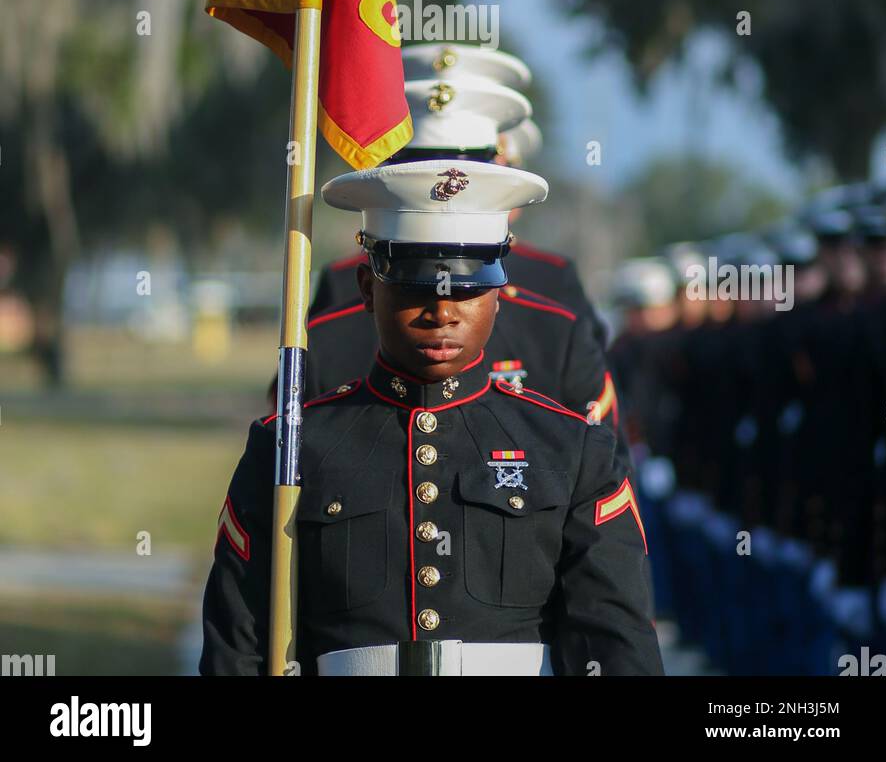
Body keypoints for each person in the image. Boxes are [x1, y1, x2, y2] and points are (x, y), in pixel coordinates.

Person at [201, 159, 663, 677]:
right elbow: (236, 651)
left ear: (498, 291)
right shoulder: (289, 448)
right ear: (367, 288)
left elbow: (617, 645)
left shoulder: (571, 450)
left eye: (466, 288)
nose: (441, 312)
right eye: (415, 287)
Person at [289, 44, 622, 435]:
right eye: (418, 167)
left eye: (464, 173)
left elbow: (595, 458)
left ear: (500, 169)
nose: (442, 183)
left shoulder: (556, 327)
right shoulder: (329, 336)